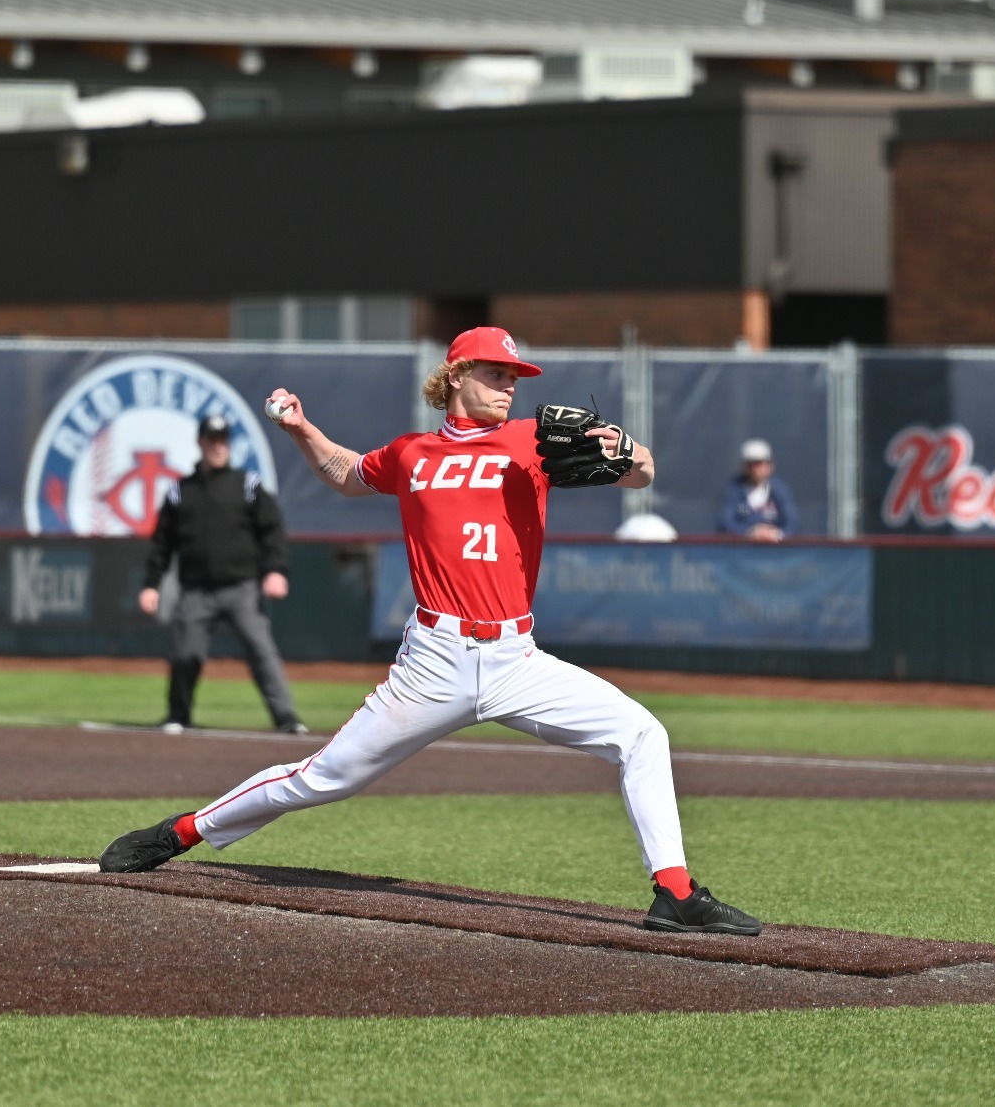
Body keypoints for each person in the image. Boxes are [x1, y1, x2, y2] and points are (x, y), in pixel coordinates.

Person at [98, 326, 761, 936]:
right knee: (327, 776)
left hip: (515, 657)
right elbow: (347, 474)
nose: (510, 385)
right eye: (497, 373)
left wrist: (624, 448)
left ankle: (674, 892)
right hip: (435, 661)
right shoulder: (413, 452)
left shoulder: (533, 440)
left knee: (642, 732)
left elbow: (641, 472)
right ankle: (184, 831)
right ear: (458, 374)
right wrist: (302, 428)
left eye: (514, 377)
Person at [139, 413, 307, 735]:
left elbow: (271, 532)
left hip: (241, 588)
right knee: (185, 653)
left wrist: (275, 571)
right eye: (211, 440)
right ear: (200, 442)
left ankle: (286, 717)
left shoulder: (248, 485)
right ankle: (178, 715)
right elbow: (162, 544)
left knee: (262, 651)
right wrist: (151, 584)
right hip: (196, 590)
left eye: (222, 440)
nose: (217, 446)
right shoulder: (179, 491)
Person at [716, 439, 794, 542]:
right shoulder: (734, 490)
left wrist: (777, 534)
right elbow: (725, 522)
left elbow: (792, 523)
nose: (756, 468)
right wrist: (749, 533)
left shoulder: (779, 490)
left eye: (760, 463)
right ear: (744, 466)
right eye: (751, 463)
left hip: (776, 553)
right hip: (744, 553)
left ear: (770, 465)